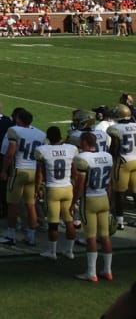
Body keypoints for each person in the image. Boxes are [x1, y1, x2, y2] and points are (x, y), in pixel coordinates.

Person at [0, 108, 44, 246]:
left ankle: (11, 235)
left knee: (12, 203)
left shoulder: (14, 131)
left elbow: (9, 153)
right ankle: (31, 236)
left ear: (18, 119)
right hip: (33, 171)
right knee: (31, 204)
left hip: (19, 170)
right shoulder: (40, 133)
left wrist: (4, 170)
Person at [73, 131, 114, 282]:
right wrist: (109, 200)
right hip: (103, 197)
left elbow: (80, 184)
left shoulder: (82, 158)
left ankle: (91, 272)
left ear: (84, 142)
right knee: (104, 236)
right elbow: (110, 183)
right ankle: (107, 270)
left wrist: (73, 202)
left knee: (90, 237)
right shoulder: (107, 156)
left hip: (89, 199)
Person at [34, 126, 78, 260]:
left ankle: (52, 252)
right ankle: (69, 251)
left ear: (48, 137)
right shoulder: (71, 149)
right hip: (68, 188)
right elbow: (75, 172)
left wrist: (37, 189)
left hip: (53, 189)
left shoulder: (43, 150)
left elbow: (39, 174)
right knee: (69, 221)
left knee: (53, 223)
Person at [107, 103, 136, 232]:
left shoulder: (115, 128)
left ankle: (119, 221)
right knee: (135, 192)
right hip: (135, 159)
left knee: (119, 192)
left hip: (123, 162)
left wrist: (109, 156)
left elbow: (115, 148)